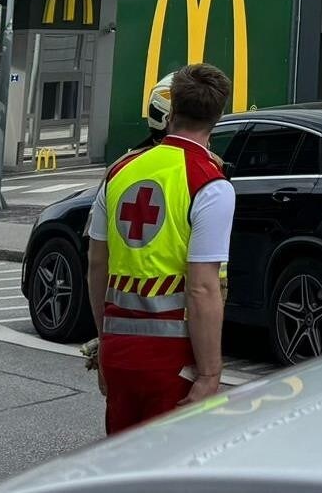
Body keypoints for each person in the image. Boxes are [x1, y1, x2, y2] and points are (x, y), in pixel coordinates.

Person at [86, 63, 235, 434]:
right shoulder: (209, 183)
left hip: (119, 348)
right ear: (218, 118)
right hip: (175, 357)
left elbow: (96, 264)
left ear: (171, 113)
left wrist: (104, 345)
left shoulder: (121, 171)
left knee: (122, 464)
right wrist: (210, 373)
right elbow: (202, 287)